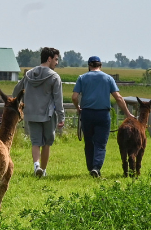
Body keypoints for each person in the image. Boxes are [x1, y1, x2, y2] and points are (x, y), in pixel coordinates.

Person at [71, 55, 134, 178]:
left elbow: (74, 97)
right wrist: (127, 113)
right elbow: (118, 98)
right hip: (103, 114)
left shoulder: (82, 78)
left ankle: (91, 168)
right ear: (101, 65)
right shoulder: (108, 78)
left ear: (89, 65)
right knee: (100, 143)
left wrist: (78, 108)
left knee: (89, 142)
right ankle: (96, 167)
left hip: (87, 113)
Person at [14, 47, 65, 178]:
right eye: (56, 59)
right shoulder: (54, 77)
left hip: (30, 113)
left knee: (35, 142)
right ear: (49, 59)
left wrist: (21, 104)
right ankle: (43, 170)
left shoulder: (29, 74)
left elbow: (16, 91)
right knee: (47, 142)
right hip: (47, 115)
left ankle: (36, 165)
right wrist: (61, 117)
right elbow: (58, 100)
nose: (57, 63)